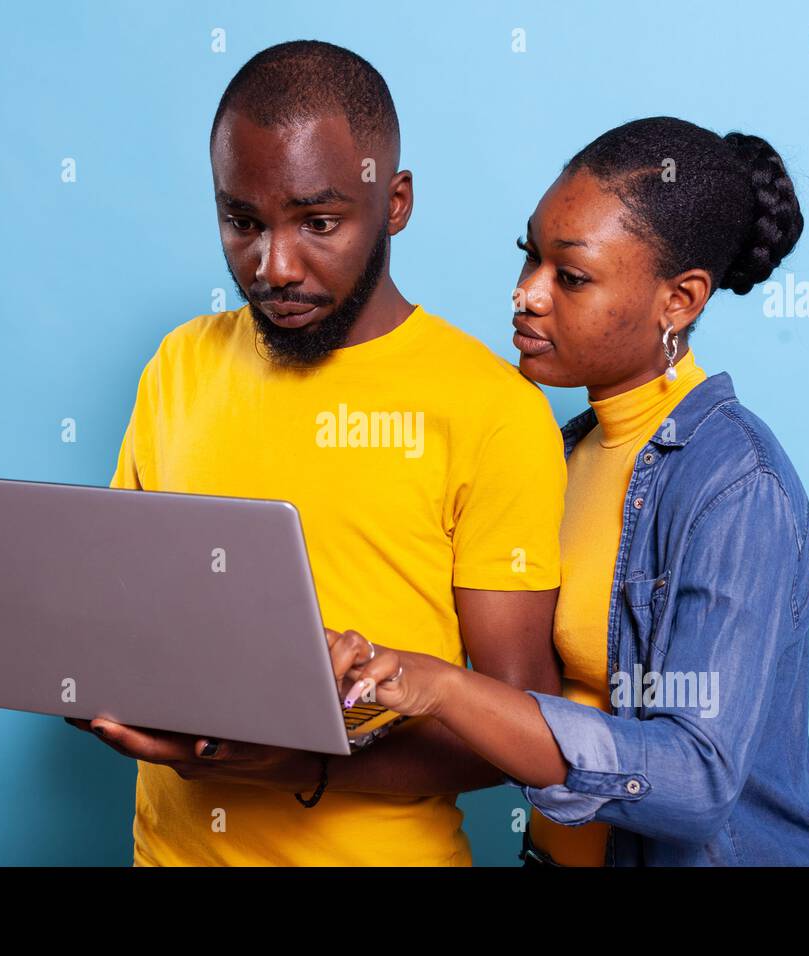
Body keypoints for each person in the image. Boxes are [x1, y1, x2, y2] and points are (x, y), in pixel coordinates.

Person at [326, 117, 809, 866]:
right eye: (529, 256)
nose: (526, 295)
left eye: (572, 276)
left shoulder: (735, 486)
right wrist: (362, 676)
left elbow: (696, 779)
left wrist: (444, 689)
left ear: (680, 301)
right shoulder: (561, 450)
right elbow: (515, 690)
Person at [66, 40, 568, 866]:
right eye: (242, 222)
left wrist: (305, 764)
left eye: (320, 222)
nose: (275, 267)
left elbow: (525, 731)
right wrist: (85, 682)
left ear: (395, 202)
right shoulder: (180, 365)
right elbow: (125, 611)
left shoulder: (493, 410)